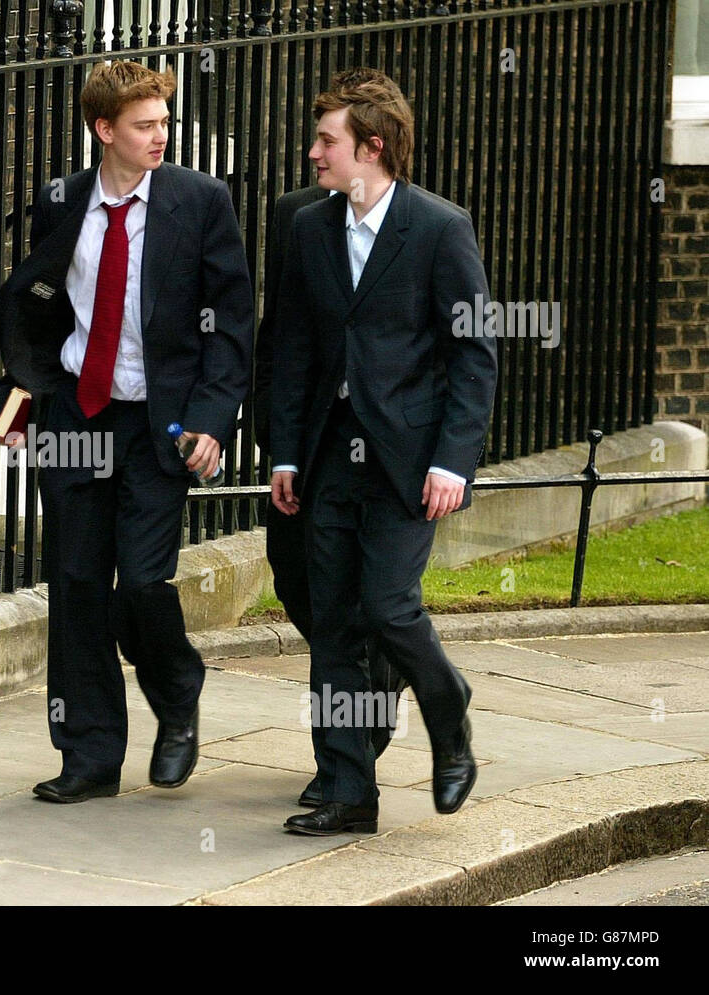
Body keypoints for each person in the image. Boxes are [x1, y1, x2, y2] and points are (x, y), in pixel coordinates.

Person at [0, 61, 253, 802]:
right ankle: (89, 755)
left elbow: (231, 327)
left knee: (141, 584)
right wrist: (24, 389)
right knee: (76, 583)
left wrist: (210, 420)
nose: (160, 136)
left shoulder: (201, 202)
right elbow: (36, 303)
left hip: (157, 422)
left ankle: (178, 696)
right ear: (103, 130)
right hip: (80, 411)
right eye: (145, 125)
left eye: (164, 122)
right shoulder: (62, 202)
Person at [269, 68, 497, 835]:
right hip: (330, 457)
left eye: (326, 140)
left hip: (409, 461)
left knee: (390, 607)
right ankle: (346, 789)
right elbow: (295, 348)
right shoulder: (309, 228)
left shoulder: (439, 228)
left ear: (371, 147)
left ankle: (449, 712)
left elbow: (473, 355)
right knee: (333, 621)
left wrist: (452, 463)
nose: (312, 154)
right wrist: (286, 456)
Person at [252, 179, 408, 811]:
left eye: (328, 137)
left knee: (358, 605)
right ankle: (378, 679)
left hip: (383, 457)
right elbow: (281, 334)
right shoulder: (297, 216)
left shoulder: (421, 223)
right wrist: (275, 441)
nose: (317, 152)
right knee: (295, 580)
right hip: (308, 446)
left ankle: (345, 759)